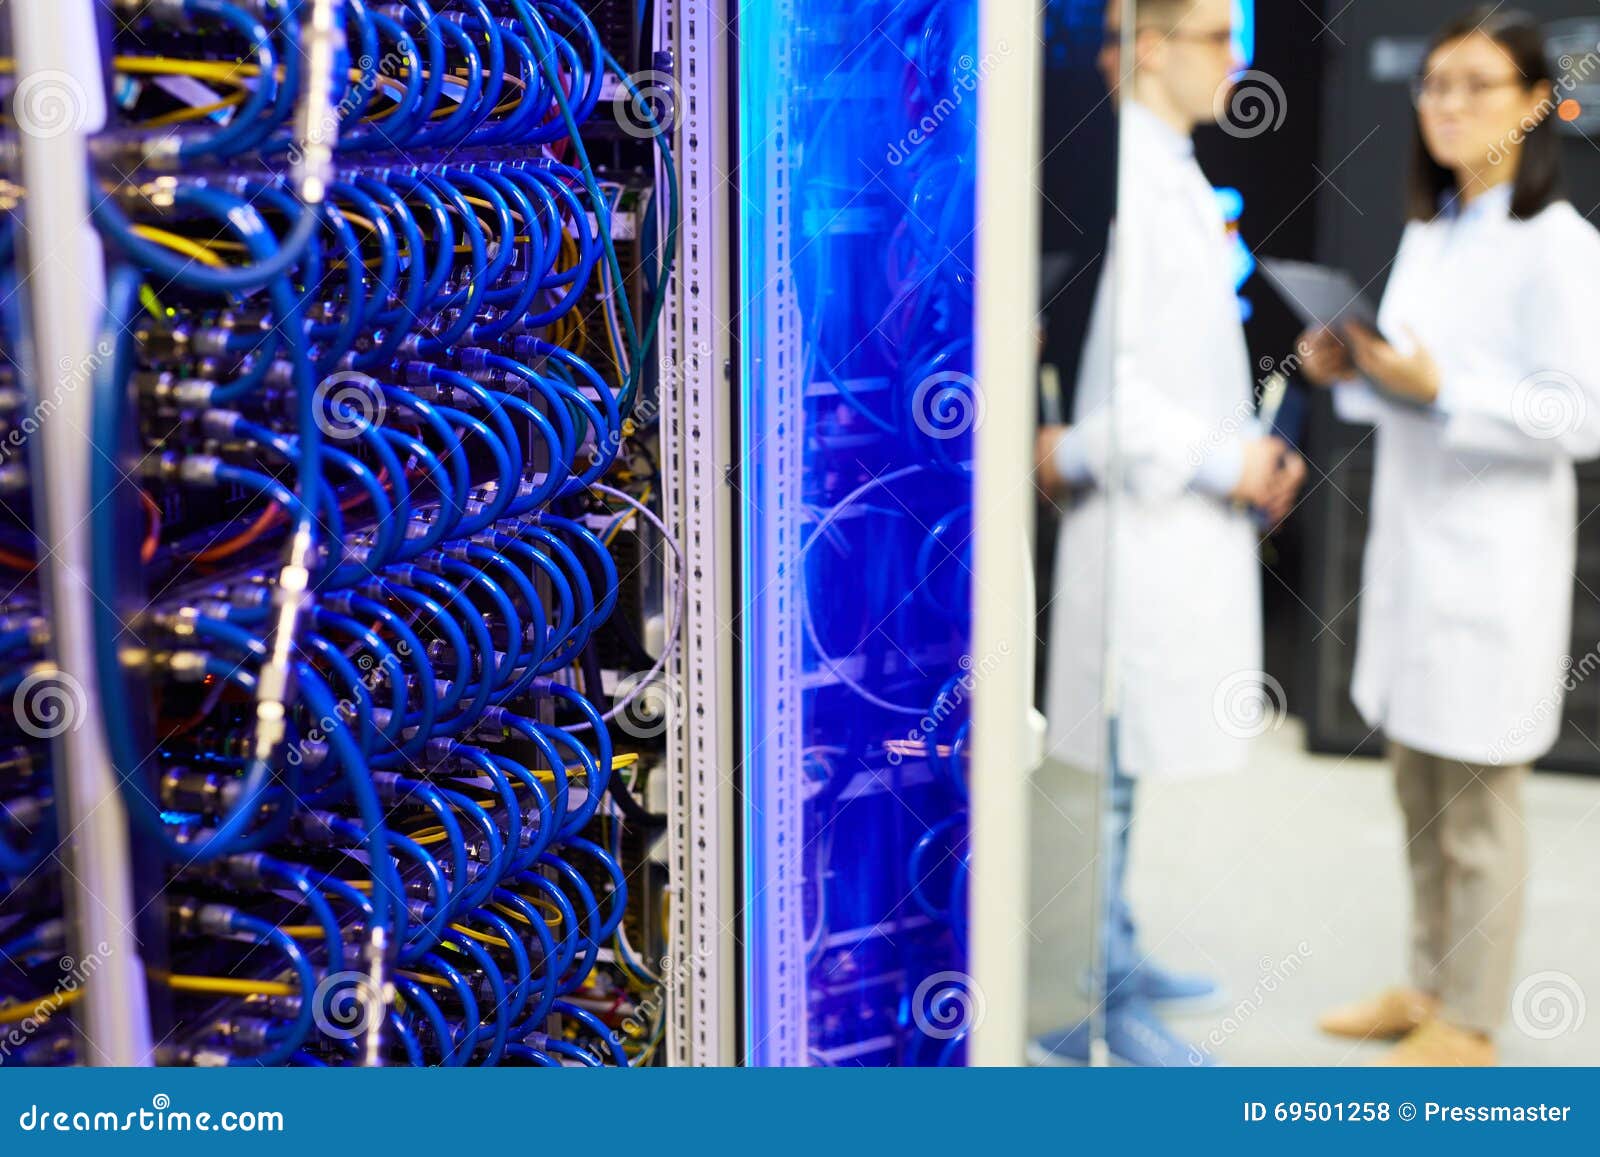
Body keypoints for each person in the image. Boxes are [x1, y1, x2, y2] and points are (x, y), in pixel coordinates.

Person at [1300, 7, 1600, 1066]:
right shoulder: (1431, 231)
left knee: (1477, 808)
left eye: (1475, 85)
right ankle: (1425, 981)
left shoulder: (1560, 247)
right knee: (1418, 788)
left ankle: (1469, 1017)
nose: (1447, 105)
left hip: (1494, 563)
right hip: (1418, 551)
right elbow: (1412, 396)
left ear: (1531, 105)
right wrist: (1361, 373)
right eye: (1433, 86)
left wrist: (1445, 386)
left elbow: (1583, 413)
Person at [1031, 0, 1306, 1066]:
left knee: (1130, 761)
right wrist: (1223, 458)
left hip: (1180, 525)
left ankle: (1119, 954)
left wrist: (1250, 448)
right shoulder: (1131, 186)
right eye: (1210, 37)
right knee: (1103, 767)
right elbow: (1130, 400)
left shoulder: (1178, 177)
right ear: (1150, 47)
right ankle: (1081, 999)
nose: (1232, 61)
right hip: (1136, 527)